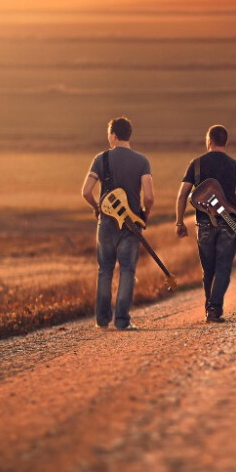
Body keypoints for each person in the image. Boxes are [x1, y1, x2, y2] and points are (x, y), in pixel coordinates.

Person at [81, 116, 154, 331]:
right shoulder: (142, 161)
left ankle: (102, 320)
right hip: (132, 224)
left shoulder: (100, 159)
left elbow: (86, 191)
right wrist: (144, 215)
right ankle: (122, 321)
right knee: (127, 271)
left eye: (109, 136)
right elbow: (149, 197)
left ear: (113, 136)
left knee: (104, 270)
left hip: (105, 223)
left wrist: (97, 207)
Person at [175, 125, 236, 323]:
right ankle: (214, 308)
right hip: (229, 222)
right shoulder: (235, 165)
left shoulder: (197, 164)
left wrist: (179, 222)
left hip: (203, 224)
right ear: (225, 141)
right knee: (223, 267)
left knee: (208, 268)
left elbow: (182, 195)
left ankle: (210, 307)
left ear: (209, 140)